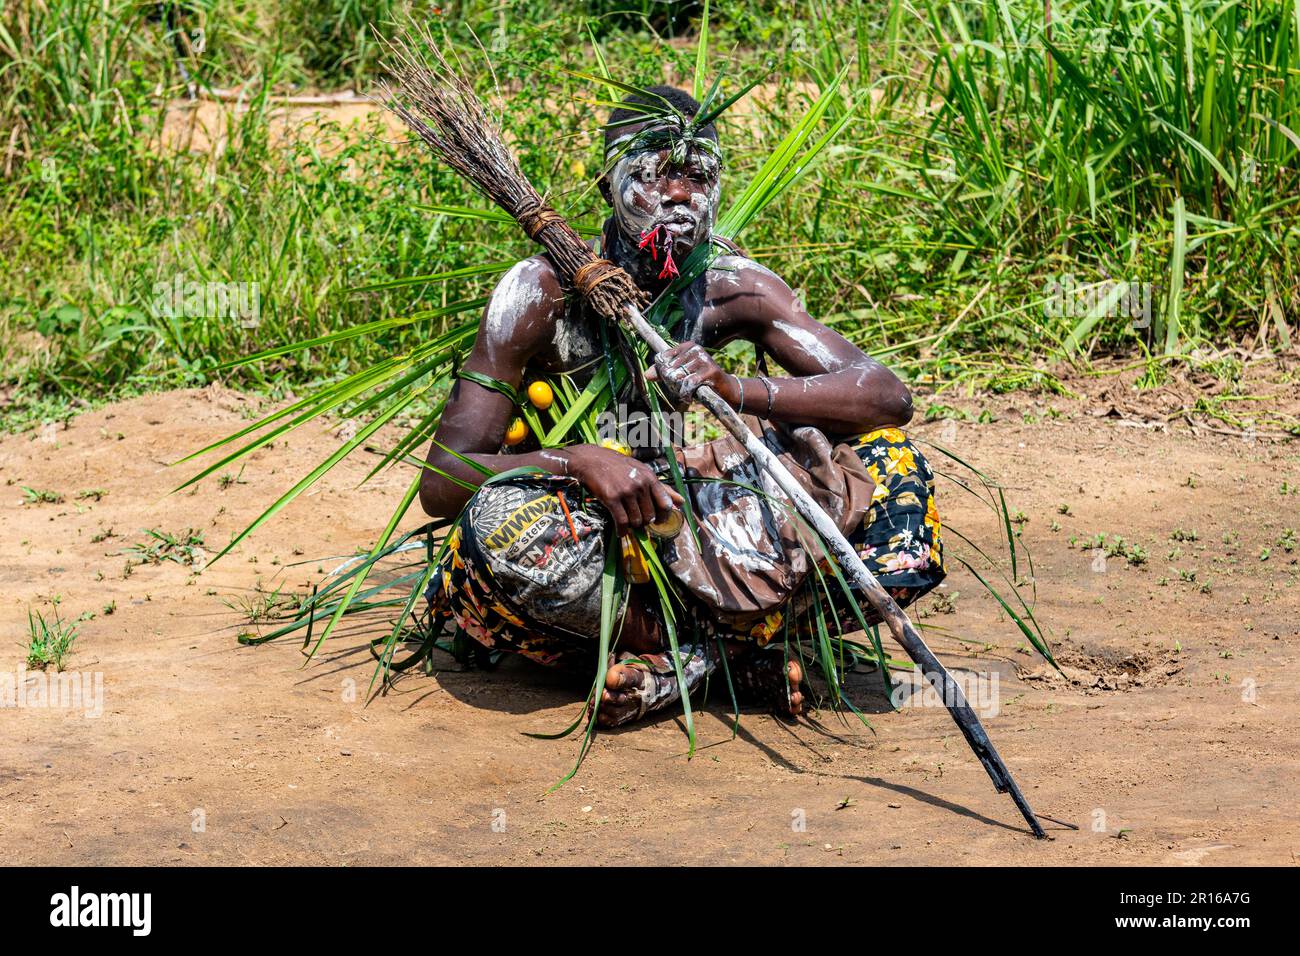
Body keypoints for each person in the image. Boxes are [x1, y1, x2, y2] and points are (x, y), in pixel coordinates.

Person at [420, 86, 944, 726]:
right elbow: (444, 479)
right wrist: (575, 461)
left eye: (696, 175)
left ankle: (699, 661)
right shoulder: (539, 292)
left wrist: (739, 390)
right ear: (610, 182)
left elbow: (887, 395)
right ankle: (727, 655)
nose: (677, 192)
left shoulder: (731, 285)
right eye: (656, 172)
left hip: (703, 526)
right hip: (593, 532)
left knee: (894, 471)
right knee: (494, 535)